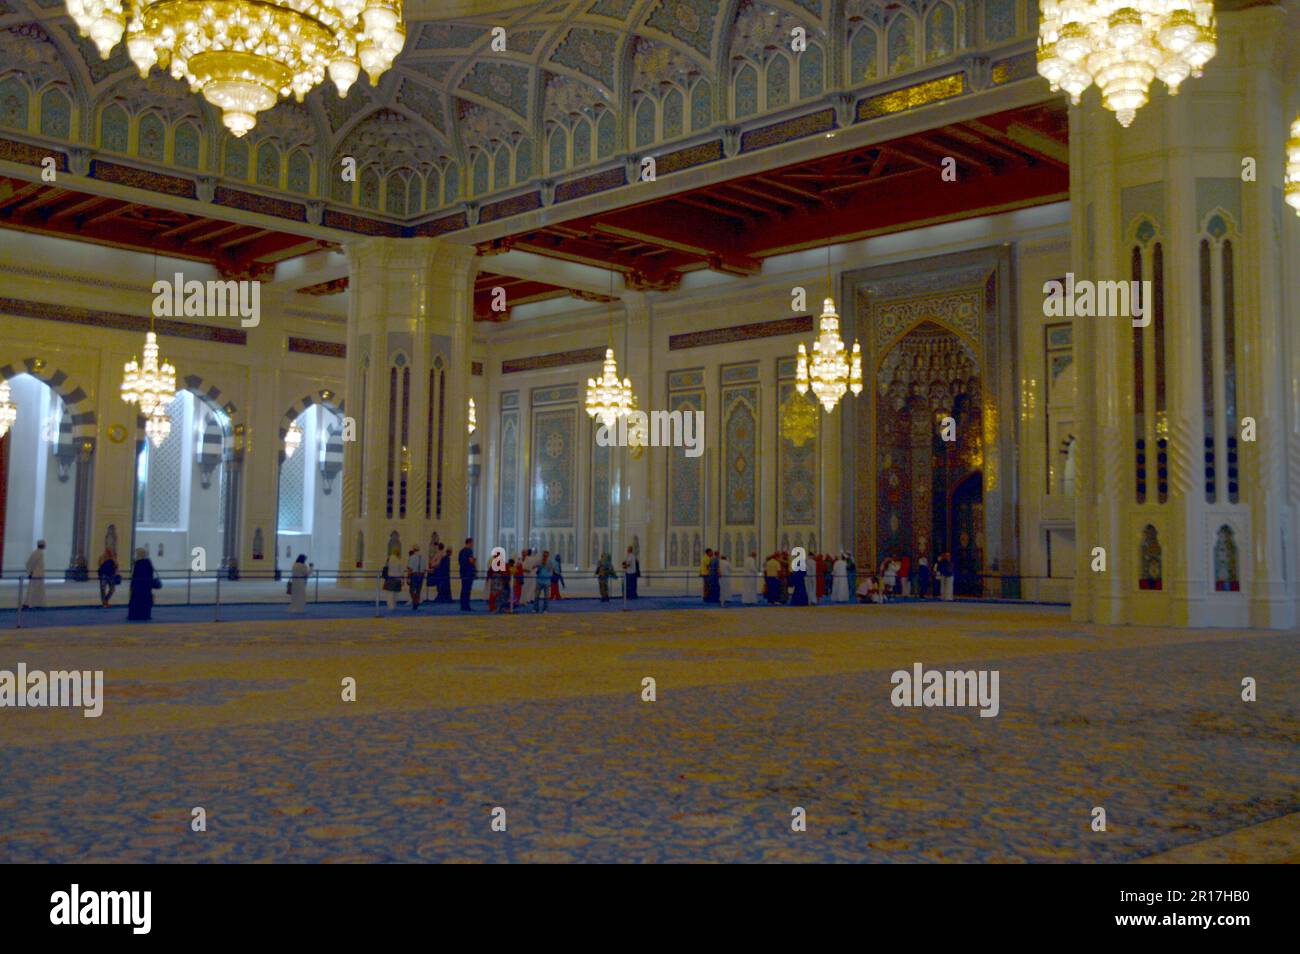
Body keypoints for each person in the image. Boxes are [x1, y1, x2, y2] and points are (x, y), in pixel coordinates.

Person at [127, 547, 159, 621]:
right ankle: (145, 615)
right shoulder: (148, 563)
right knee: (145, 601)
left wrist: (132, 586)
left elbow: (135, 576)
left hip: (138, 587)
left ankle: (135, 616)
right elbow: (150, 575)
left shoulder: (138, 563)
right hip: (146, 587)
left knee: (136, 601)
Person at [23, 540, 46, 609]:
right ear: (42, 545)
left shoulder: (39, 553)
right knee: (33, 590)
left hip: (39, 575)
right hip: (36, 575)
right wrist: (30, 573)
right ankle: (29, 603)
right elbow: (29, 563)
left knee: (37, 590)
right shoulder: (37, 553)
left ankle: (37, 603)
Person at [406, 545, 427, 611]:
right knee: (418, 590)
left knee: (411, 590)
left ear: (413, 550)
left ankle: (414, 602)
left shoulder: (412, 557)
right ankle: (416, 602)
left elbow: (410, 569)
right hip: (421, 575)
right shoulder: (423, 558)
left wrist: (408, 577)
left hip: (414, 575)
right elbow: (424, 569)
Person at [458, 538, 476, 611]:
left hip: (463, 572)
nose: (472, 545)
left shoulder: (461, 551)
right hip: (468, 573)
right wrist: (474, 561)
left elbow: (460, 561)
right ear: (469, 543)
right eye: (472, 543)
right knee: (467, 590)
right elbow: (471, 561)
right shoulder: (469, 551)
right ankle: (466, 606)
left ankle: (462, 605)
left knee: (463, 589)